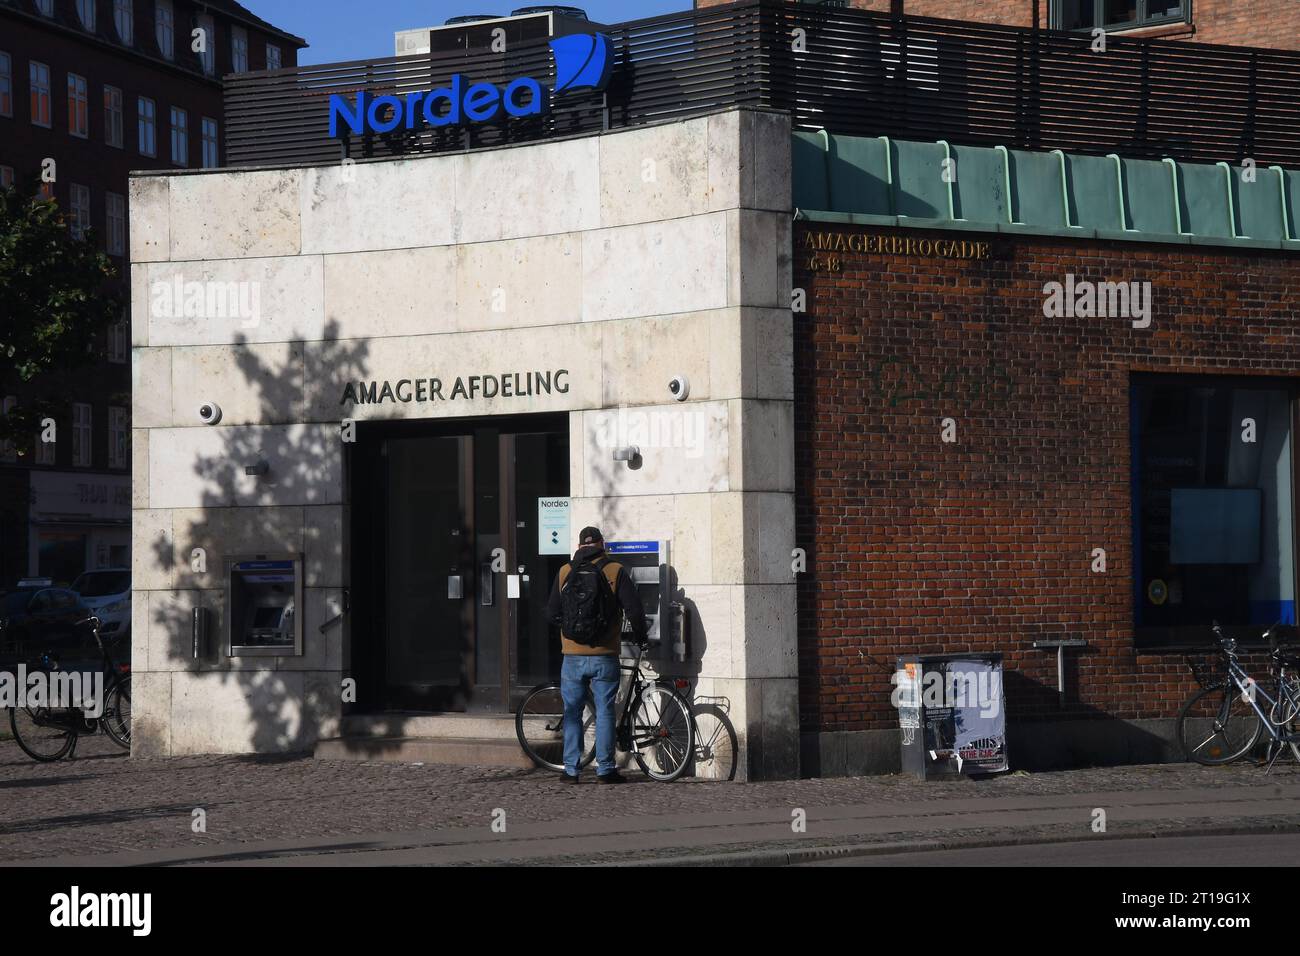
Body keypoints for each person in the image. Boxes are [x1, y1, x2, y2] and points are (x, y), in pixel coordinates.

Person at [546, 526, 648, 784]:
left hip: (571, 655)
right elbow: (634, 610)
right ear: (602, 544)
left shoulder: (565, 571)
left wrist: (572, 630)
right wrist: (640, 637)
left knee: (572, 711)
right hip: (605, 654)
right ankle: (605, 769)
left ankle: (571, 770)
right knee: (604, 711)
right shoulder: (615, 571)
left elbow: (551, 613)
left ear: (580, 546)